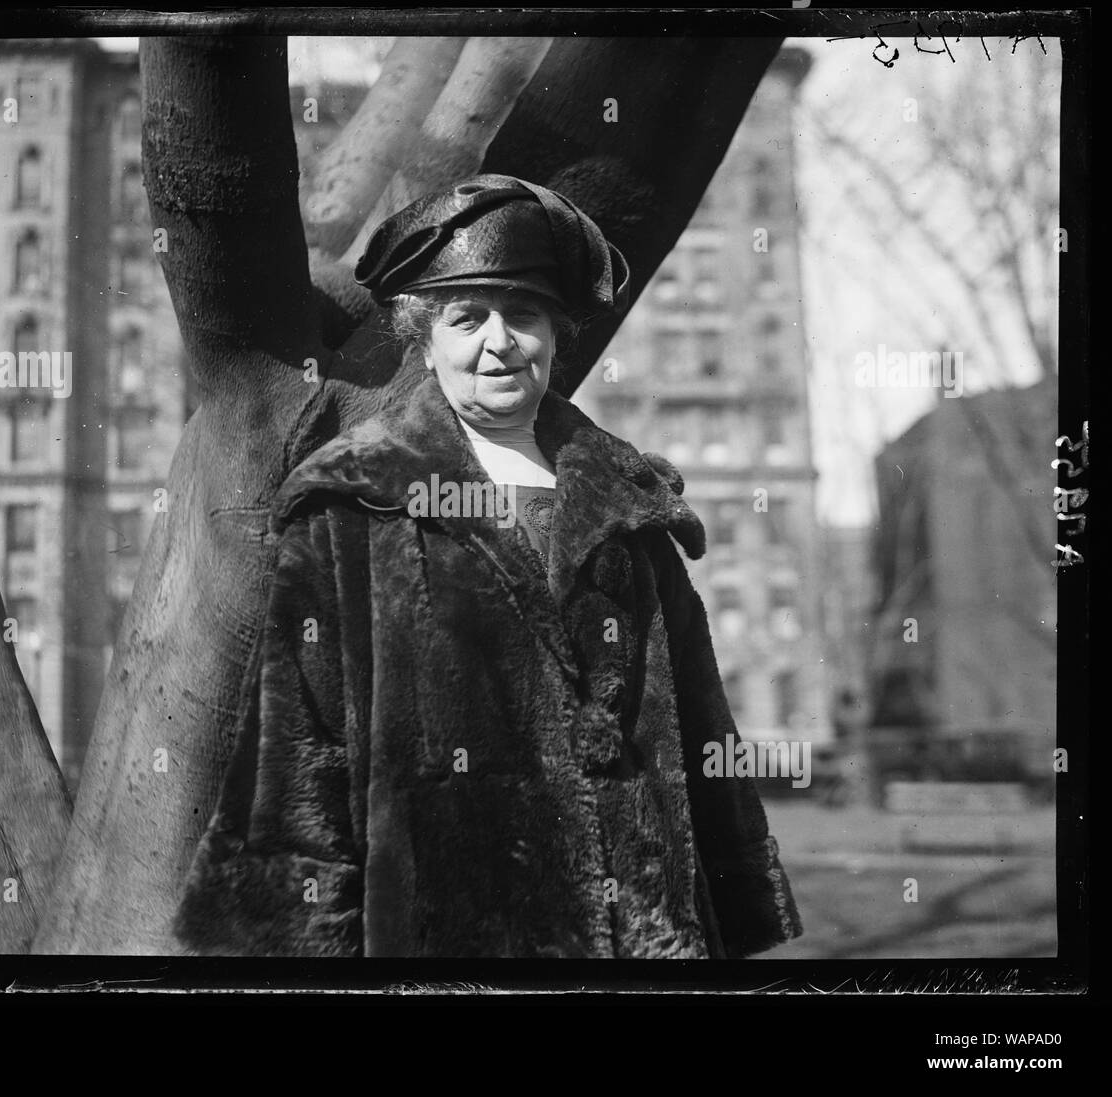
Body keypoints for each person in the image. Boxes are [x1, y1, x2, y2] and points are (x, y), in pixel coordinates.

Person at [174, 174, 802, 958]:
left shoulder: (629, 501)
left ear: (555, 333)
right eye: (467, 317)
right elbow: (301, 758)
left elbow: (704, 724)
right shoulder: (351, 503)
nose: (498, 341)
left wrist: (736, 903)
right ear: (424, 338)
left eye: (524, 315)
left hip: (644, 940)